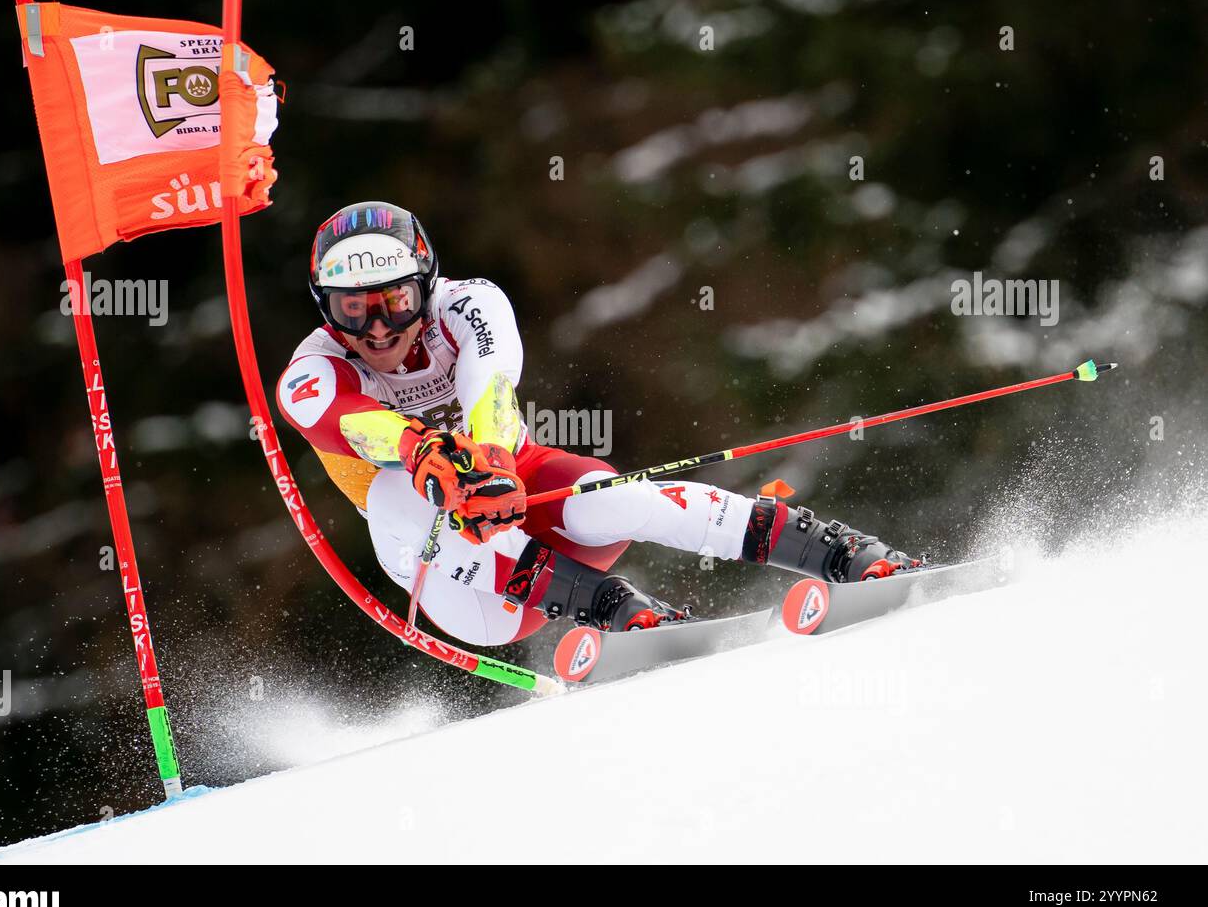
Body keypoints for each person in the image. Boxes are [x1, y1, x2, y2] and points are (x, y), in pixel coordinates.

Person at [276, 201, 916, 647]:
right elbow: (350, 422)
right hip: (459, 577)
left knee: (619, 501)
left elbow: (490, 382)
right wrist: (422, 453)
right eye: (353, 310)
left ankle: (837, 552)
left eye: (394, 302)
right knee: (391, 491)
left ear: (426, 285)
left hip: (517, 485)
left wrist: (492, 459)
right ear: (324, 308)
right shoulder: (311, 372)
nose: (378, 328)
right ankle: (612, 609)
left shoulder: (469, 303)